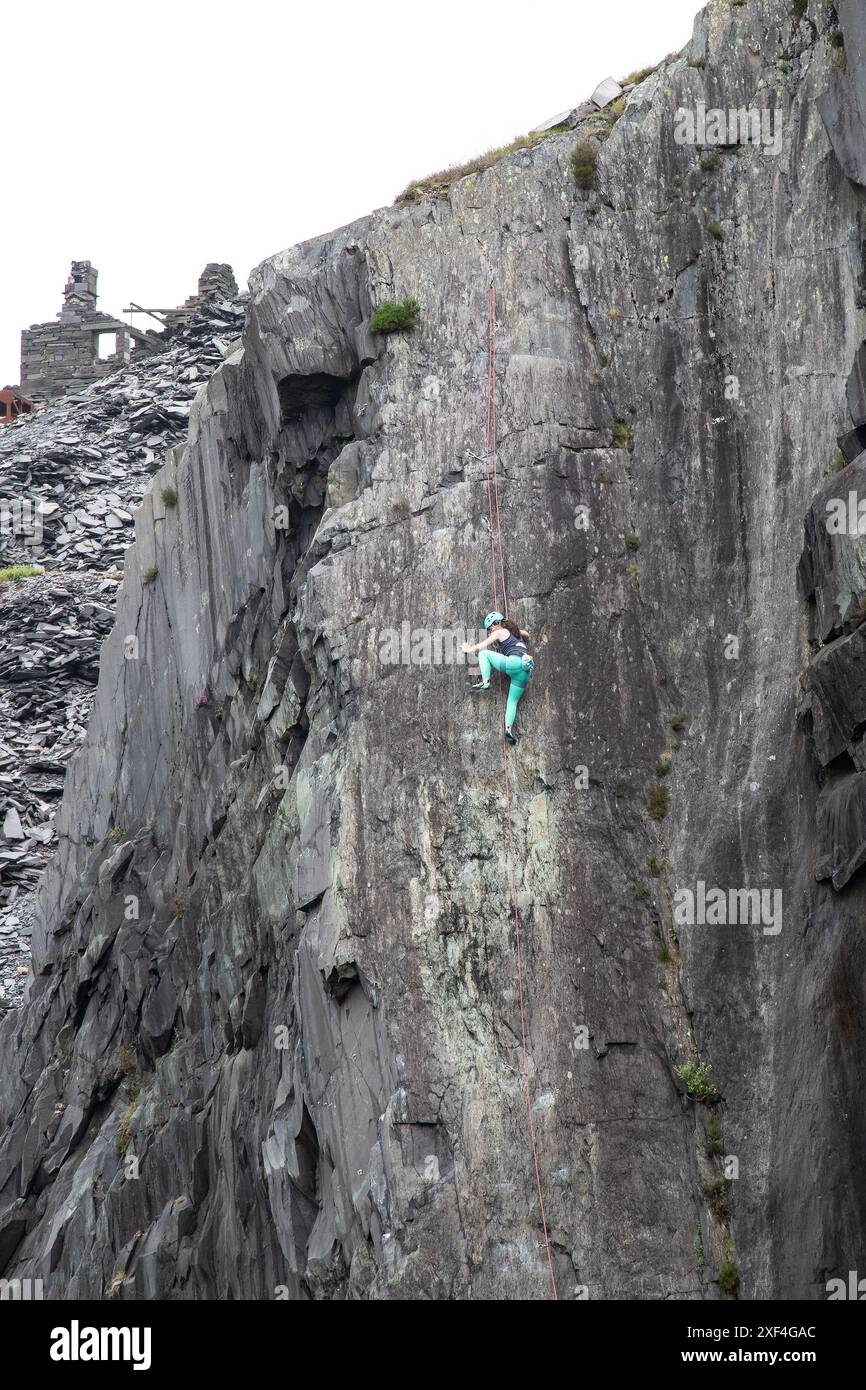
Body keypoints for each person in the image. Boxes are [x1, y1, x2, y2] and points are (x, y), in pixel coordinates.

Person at [463, 611, 534, 744]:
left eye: (490, 629)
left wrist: (469, 649)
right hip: (525, 671)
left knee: (484, 654)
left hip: (514, 663)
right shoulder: (515, 633)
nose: (490, 632)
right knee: (512, 701)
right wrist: (519, 634)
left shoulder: (500, 631)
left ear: (496, 623)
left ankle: (485, 682)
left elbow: (484, 644)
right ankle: (508, 729)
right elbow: (526, 634)